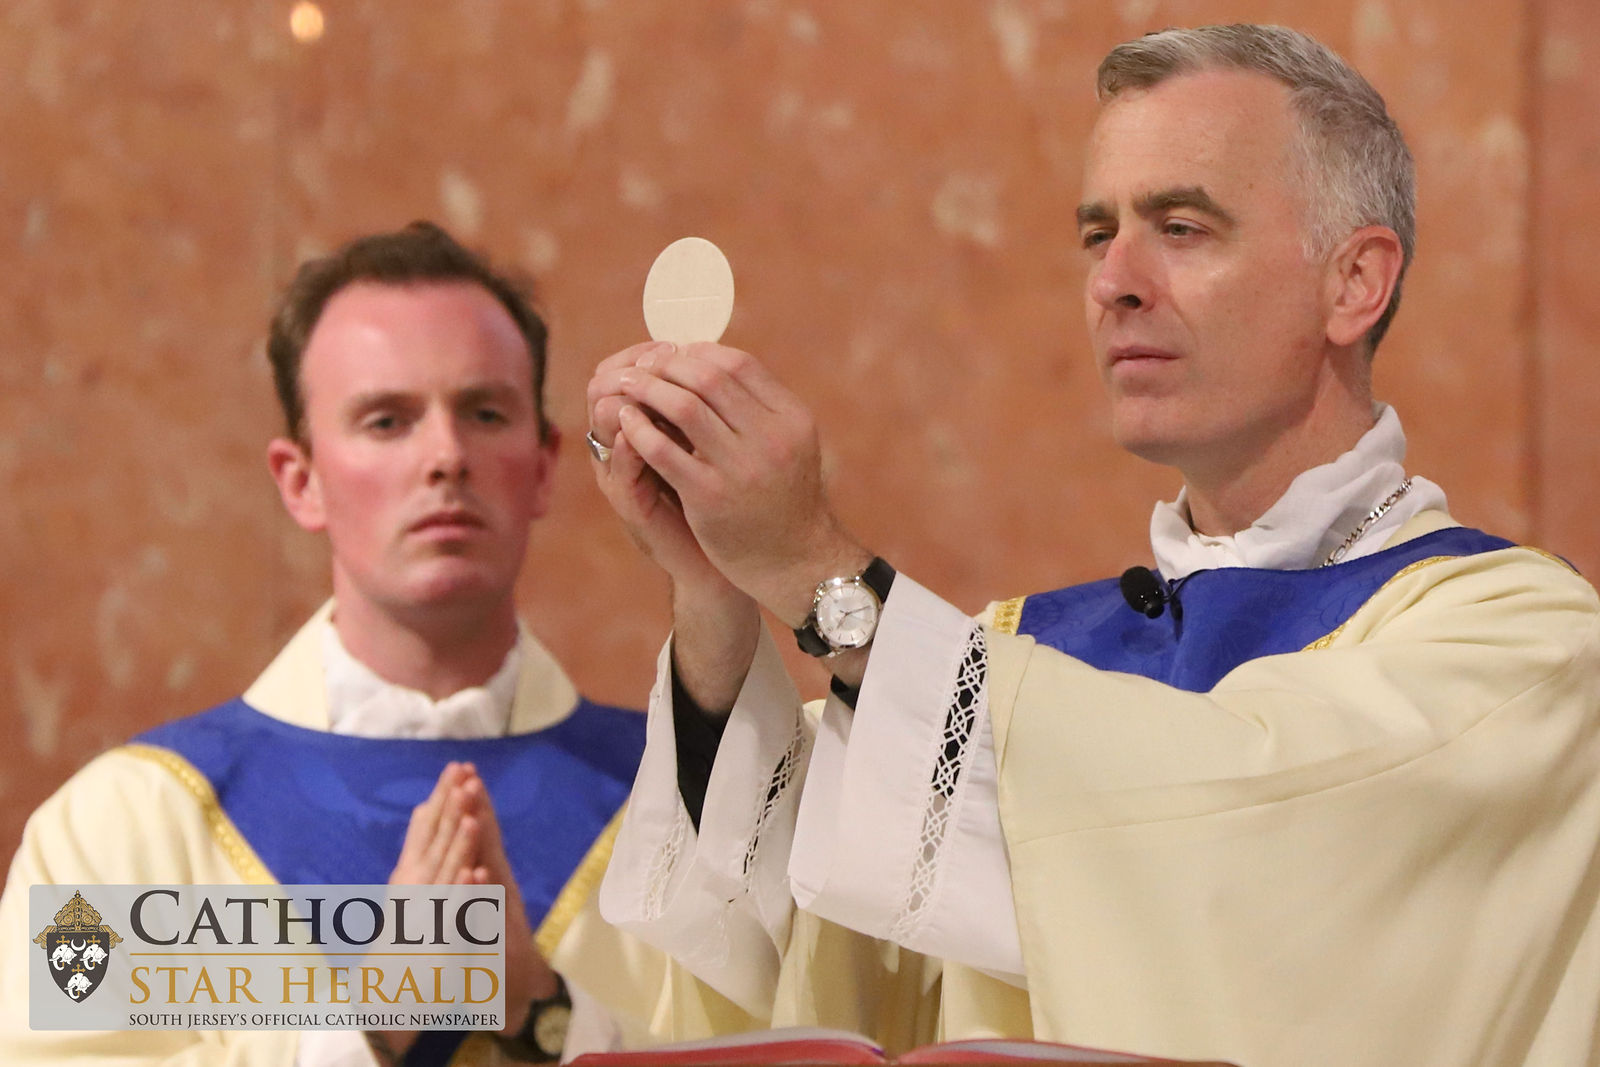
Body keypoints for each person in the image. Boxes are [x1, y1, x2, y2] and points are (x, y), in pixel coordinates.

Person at [584, 24, 1600, 1067]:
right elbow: (770, 954)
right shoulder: (1020, 651)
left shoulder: (1526, 649)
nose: (1113, 279)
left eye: (1181, 226)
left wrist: (815, 572)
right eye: (1095, 233)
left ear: (1352, 283)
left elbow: (1232, 841)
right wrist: (714, 593)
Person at [0, 222, 660, 1065]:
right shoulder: (125, 827)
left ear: (542, 466)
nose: (446, 456)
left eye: (485, 412)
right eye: (387, 420)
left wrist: (544, 1012)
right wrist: (370, 1020)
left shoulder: (678, 813)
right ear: (300, 480)